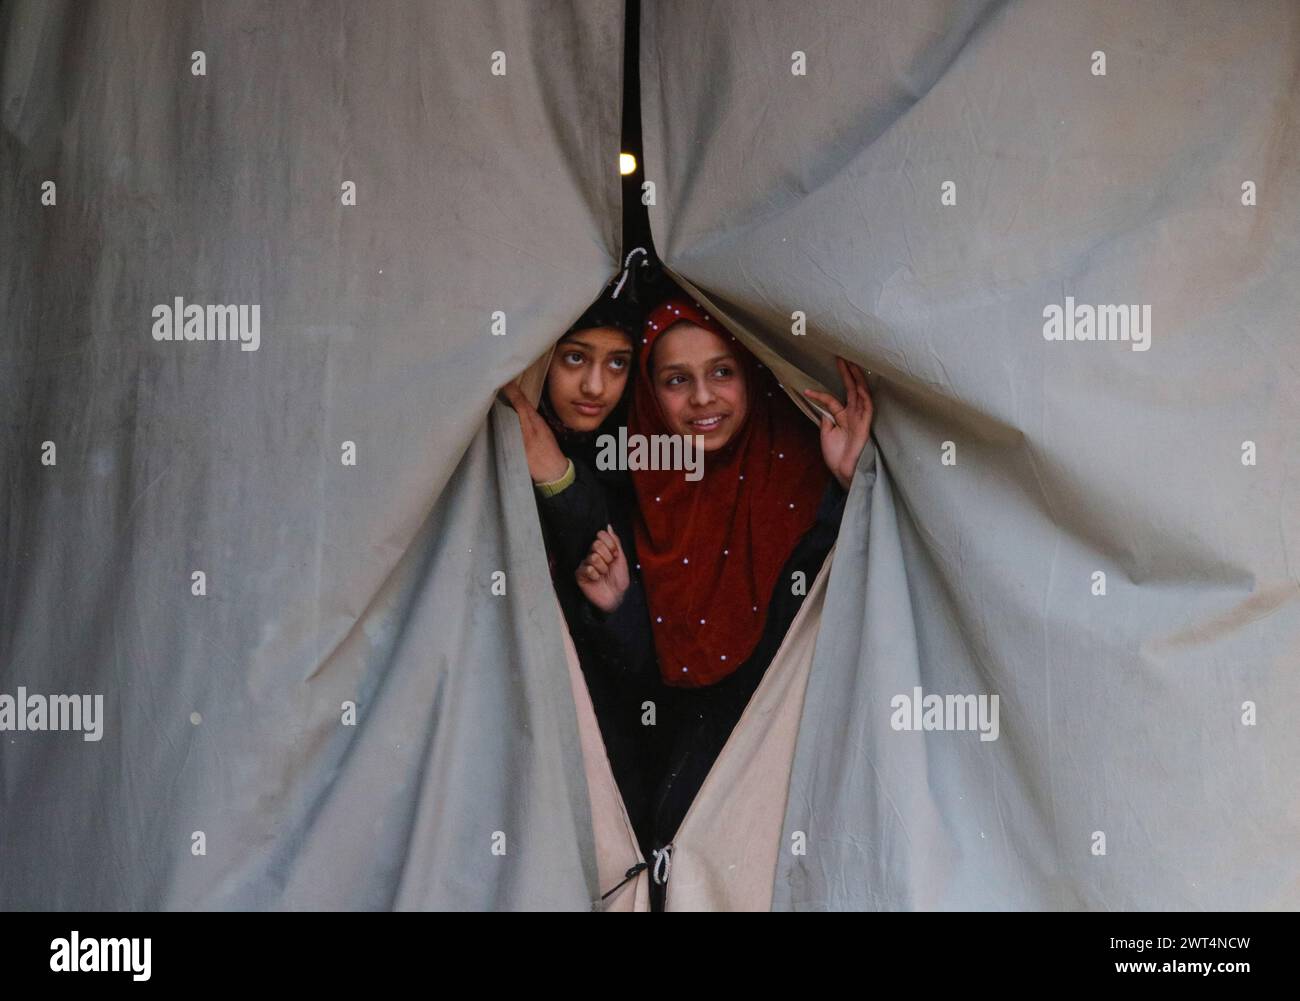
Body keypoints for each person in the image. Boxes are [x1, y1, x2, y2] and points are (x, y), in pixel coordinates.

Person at [573, 297, 874, 910]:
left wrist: (851, 487)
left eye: (721, 371)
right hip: (682, 774)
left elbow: (818, 620)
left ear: (750, 374)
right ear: (650, 397)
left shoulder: (799, 474)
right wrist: (617, 608)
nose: (703, 398)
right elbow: (643, 683)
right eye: (676, 380)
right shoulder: (639, 490)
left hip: (789, 762)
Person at [500, 249, 671, 863]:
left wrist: (558, 477)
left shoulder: (639, 460)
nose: (597, 387)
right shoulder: (489, 447)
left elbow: (643, 662)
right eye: (575, 358)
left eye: (618, 363)